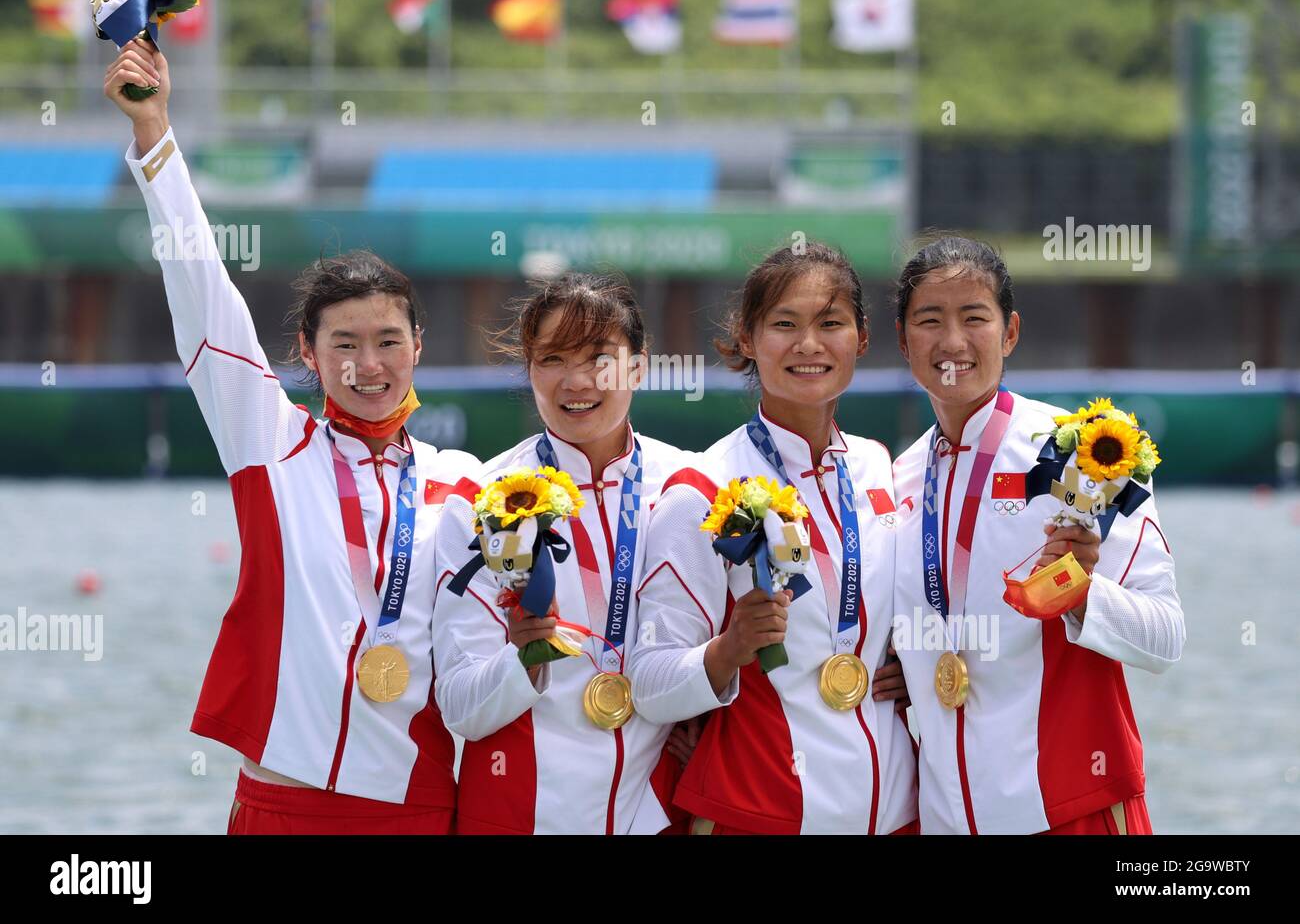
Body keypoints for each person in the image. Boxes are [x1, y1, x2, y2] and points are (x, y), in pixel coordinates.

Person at [106, 38, 477, 834]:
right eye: (343, 344)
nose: (367, 364)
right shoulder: (270, 442)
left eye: (386, 341)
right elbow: (201, 287)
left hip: (421, 803)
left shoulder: (472, 483)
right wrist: (155, 136)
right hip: (286, 801)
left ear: (420, 345)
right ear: (307, 354)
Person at [890, 234, 1184, 834]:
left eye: (975, 317)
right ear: (903, 340)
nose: (952, 342)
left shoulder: (1086, 451)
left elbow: (1165, 639)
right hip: (947, 817)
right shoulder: (897, 479)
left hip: (1073, 806)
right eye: (930, 321)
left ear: (1010, 332)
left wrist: (1081, 593)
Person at [628, 241, 918, 834]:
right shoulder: (703, 489)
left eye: (830, 324)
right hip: (759, 812)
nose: (809, 345)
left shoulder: (879, 467)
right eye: (784, 324)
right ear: (746, 337)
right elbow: (651, 684)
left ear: (862, 338)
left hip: (895, 813)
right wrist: (729, 649)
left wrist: (919, 664)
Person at [432, 273, 697, 833]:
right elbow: (460, 708)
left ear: (639, 366)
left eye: (600, 357)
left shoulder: (693, 489)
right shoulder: (481, 500)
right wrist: (521, 657)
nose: (575, 381)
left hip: (655, 813)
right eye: (551, 359)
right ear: (529, 370)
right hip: (519, 812)